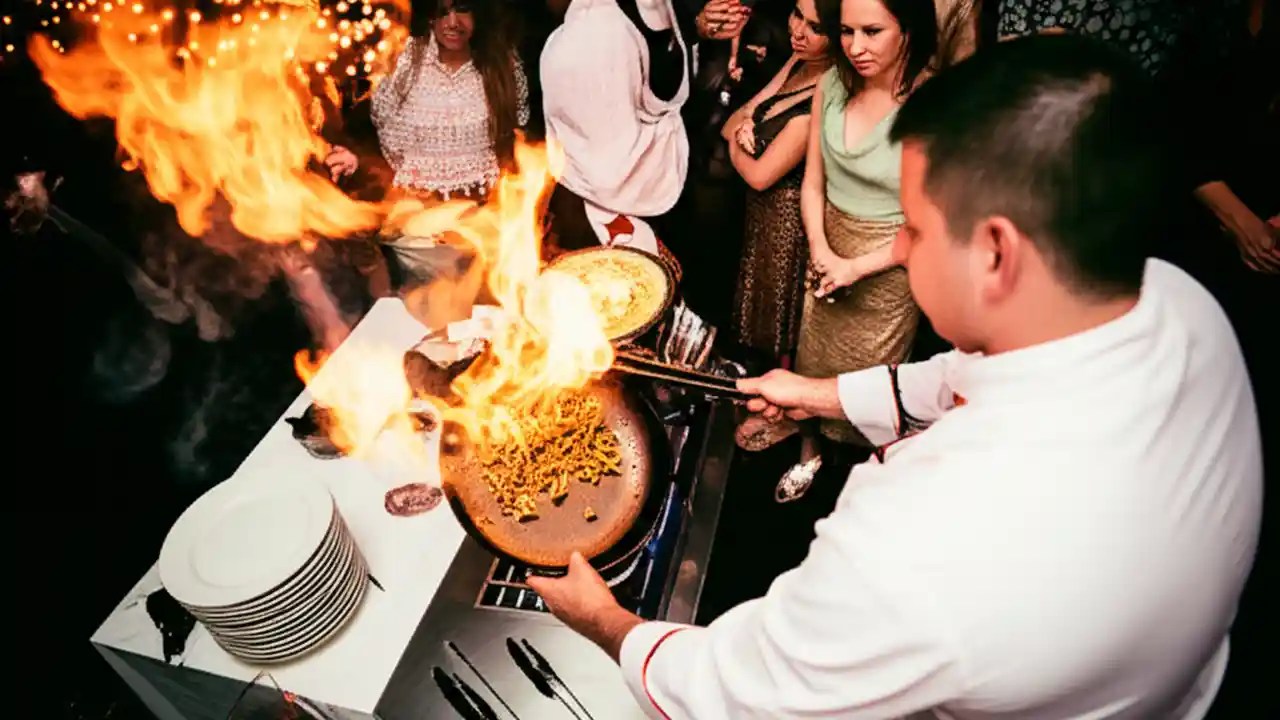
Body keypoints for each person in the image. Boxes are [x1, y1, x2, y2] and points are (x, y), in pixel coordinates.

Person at [528, 35, 1262, 719]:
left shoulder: (923, 541)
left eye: (912, 225)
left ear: (996, 253)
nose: (902, 248)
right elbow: (971, 379)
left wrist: (609, 622)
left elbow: (746, 692)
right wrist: (816, 394)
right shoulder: (1182, 305)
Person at [737, 0, 937, 503]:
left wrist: (854, 267)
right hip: (826, 255)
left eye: (873, 31)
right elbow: (813, 186)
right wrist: (823, 251)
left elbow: (931, 225)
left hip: (885, 269)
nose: (856, 47)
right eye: (846, 32)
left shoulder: (932, 105)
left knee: (871, 388)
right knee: (811, 365)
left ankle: (864, 483)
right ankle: (810, 452)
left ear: (908, 28)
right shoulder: (831, 84)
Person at [539, 0, 746, 265]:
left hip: (646, 186)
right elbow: (610, 167)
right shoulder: (595, 35)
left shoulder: (649, 7)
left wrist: (694, 30)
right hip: (597, 206)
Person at [364, 0, 530, 326]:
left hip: (479, 221)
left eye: (464, 9)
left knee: (477, 329)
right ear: (429, 14)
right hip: (415, 229)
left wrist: (487, 214)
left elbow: (516, 146)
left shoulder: (503, 65)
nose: (452, 22)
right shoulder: (403, 59)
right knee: (424, 326)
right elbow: (378, 128)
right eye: (443, 11)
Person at [721, 0, 831, 365]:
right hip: (762, 219)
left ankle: (774, 417)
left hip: (786, 228)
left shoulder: (822, 94)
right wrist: (742, 126)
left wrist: (740, 139)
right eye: (797, 14)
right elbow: (735, 118)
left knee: (773, 335)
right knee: (751, 326)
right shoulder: (799, 62)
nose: (798, 31)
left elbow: (760, 175)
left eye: (816, 28)